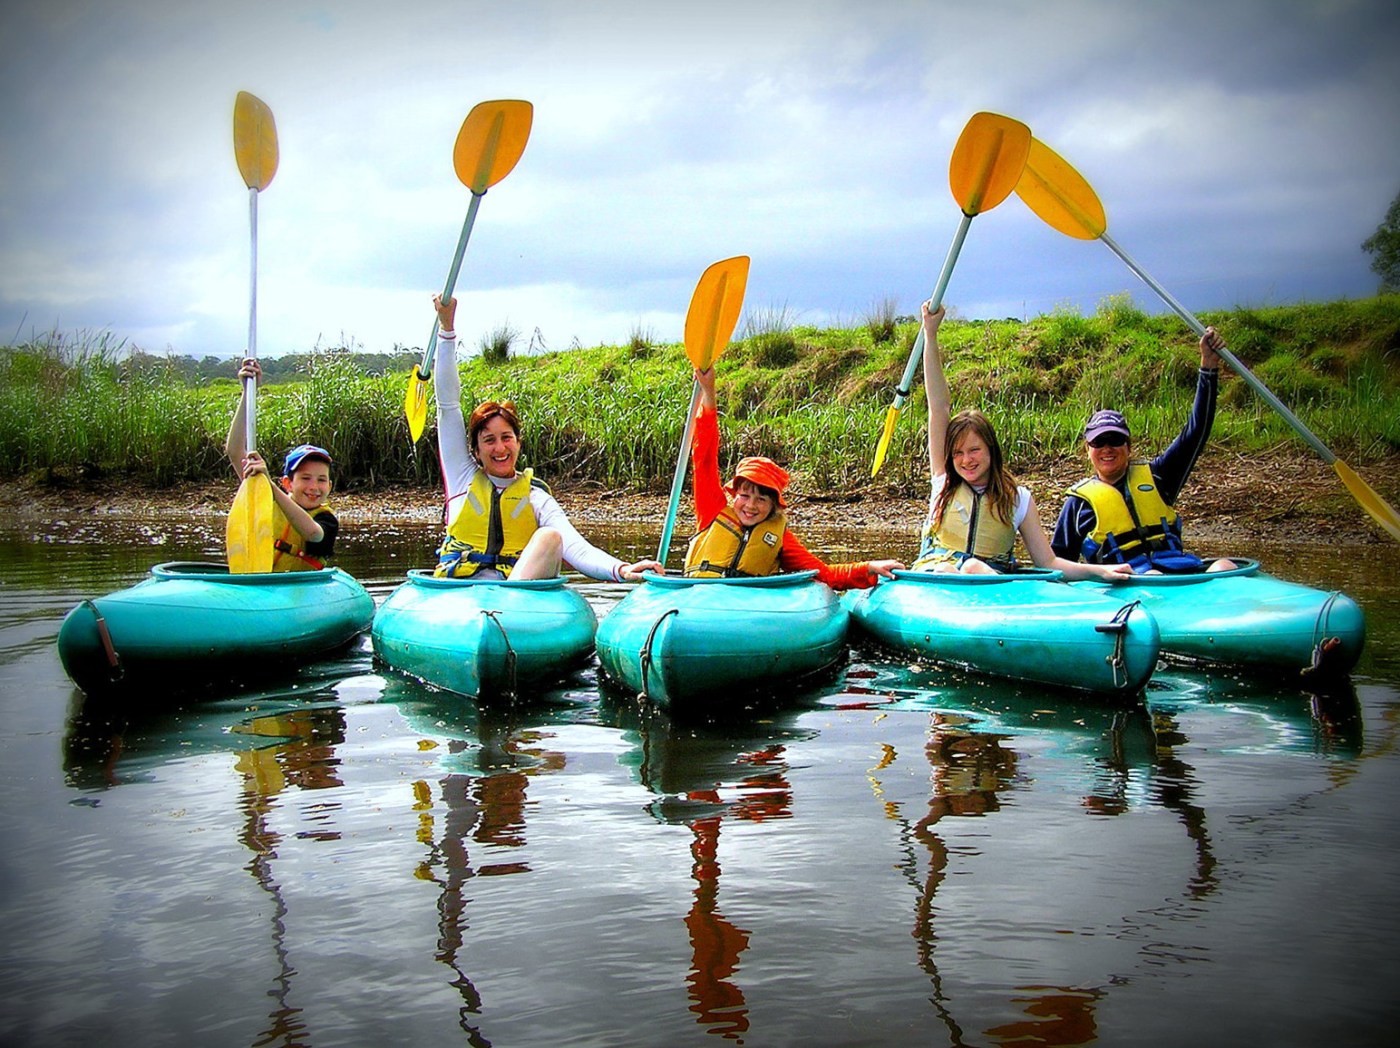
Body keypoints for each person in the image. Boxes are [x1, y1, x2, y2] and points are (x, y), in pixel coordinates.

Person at [431, 294, 662, 582]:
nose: (500, 447)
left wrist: (623, 570)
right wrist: (447, 328)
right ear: (475, 451)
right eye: (489, 440)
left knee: (551, 537)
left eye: (506, 437)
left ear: (518, 442)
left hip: (515, 595)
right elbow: (448, 406)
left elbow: (576, 547)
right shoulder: (461, 477)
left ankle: (506, 610)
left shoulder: (535, 497)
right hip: (459, 592)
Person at [911, 302, 1130, 582]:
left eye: (975, 450)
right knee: (952, 568)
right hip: (938, 572)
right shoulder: (943, 480)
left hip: (990, 579)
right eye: (958, 453)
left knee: (973, 567)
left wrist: (1099, 571)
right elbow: (938, 407)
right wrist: (930, 334)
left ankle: (984, 592)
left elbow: (1047, 561)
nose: (967, 459)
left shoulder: (1019, 499)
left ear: (991, 450)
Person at [684, 364, 905, 588]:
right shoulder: (712, 510)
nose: (750, 505)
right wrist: (708, 393)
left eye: (761, 499)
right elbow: (704, 457)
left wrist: (868, 567)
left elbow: (823, 573)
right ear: (735, 495)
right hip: (701, 598)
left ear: (773, 506)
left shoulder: (780, 538)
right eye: (745, 495)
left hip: (747, 609)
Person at [1051, 325, 1238, 574]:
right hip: (1128, 585)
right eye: (1099, 442)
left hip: (1178, 577)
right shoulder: (1077, 506)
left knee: (1225, 565)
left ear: (1129, 446)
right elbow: (1057, 566)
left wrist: (1208, 366)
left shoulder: (1160, 476)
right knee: (1151, 574)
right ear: (1088, 449)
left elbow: (1196, 432)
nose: (1107, 448)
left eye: (1115, 440)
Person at [225, 358, 339, 571]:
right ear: (287, 483)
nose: (314, 486)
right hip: (265, 582)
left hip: (301, 588)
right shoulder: (265, 499)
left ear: (329, 486)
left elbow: (313, 534)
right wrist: (248, 394)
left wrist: (268, 485)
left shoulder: (326, 519)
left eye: (321, 480)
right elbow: (234, 451)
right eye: (305, 478)